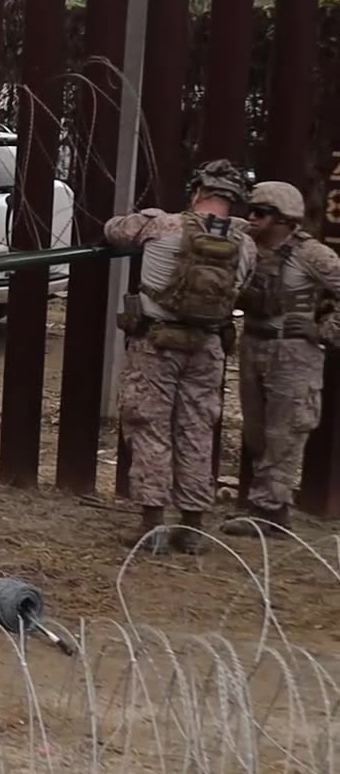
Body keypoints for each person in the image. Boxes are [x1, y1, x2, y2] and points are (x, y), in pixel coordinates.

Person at [105, 159, 256, 553]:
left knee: (150, 426)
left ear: (198, 191)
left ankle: (152, 523)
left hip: (156, 343)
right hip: (207, 346)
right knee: (197, 430)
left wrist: (148, 215)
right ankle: (192, 528)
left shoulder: (161, 225)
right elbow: (242, 286)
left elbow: (113, 230)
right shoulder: (245, 241)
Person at [227, 180, 340, 536]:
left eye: (262, 212)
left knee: (285, 433)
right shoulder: (246, 248)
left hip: (293, 352)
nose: (253, 218)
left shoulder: (312, 255)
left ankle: (269, 511)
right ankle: (267, 506)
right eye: (252, 211)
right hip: (255, 344)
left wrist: (324, 330)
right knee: (257, 432)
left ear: (284, 219)